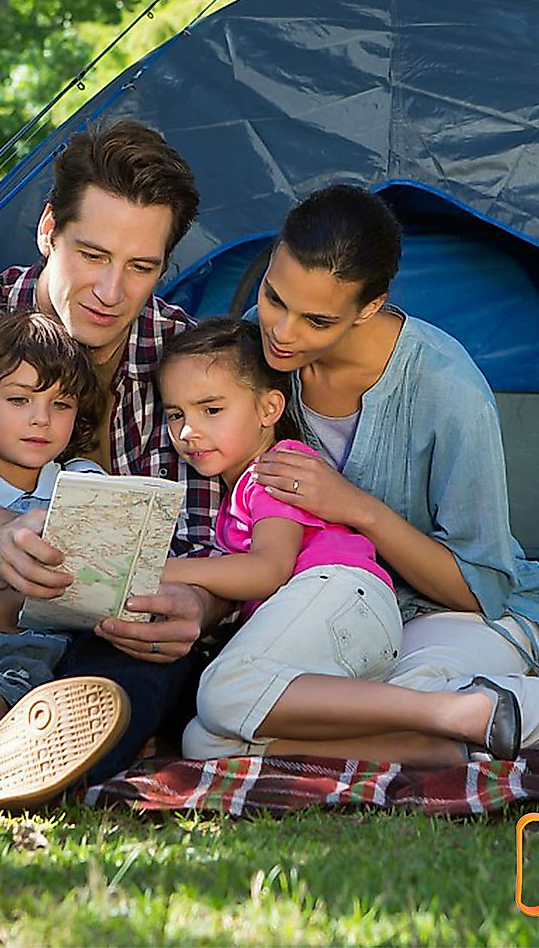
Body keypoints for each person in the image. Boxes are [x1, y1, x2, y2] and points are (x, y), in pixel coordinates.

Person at [196, 185, 539, 764]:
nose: (282, 332)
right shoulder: (254, 357)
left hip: (459, 614)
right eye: (273, 297)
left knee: (399, 693)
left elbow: (477, 588)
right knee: (212, 722)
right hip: (337, 612)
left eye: (316, 319)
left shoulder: (446, 387)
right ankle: (432, 747)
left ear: (370, 306)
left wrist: (359, 509)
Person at [0, 119, 228, 806]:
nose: (110, 292)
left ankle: (21, 752)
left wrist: (201, 601)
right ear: (49, 230)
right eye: (92, 255)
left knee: (137, 670)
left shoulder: (186, 361)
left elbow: (221, 536)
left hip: (113, 638)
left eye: (141, 267)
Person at [154, 318, 408, 759]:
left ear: (269, 409)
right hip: (332, 628)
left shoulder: (277, 467)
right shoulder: (236, 496)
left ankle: (455, 710)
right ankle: (418, 746)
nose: (188, 432)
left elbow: (267, 571)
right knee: (202, 739)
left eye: (211, 410)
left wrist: (156, 569)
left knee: (222, 690)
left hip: (341, 594)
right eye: (177, 414)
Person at [0, 312, 129, 807]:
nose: (41, 419)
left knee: (28, 664)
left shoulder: (84, 487)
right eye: (19, 399)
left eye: (60, 404)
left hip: (31, 643)